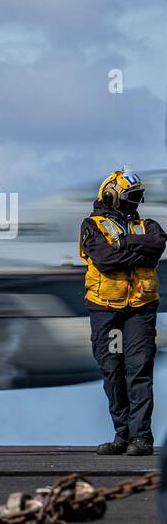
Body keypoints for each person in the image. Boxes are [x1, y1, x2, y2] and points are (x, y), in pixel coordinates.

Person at [79, 169, 165, 455]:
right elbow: (105, 259)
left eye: (139, 196)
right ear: (112, 195)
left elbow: (156, 245)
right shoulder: (91, 225)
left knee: (138, 371)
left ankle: (142, 438)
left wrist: (123, 246)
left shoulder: (148, 225)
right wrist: (133, 252)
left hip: (140, 309)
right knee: (112, 371)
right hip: (106, 310)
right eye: (132, 196)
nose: (136, 202)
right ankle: (123, 435)